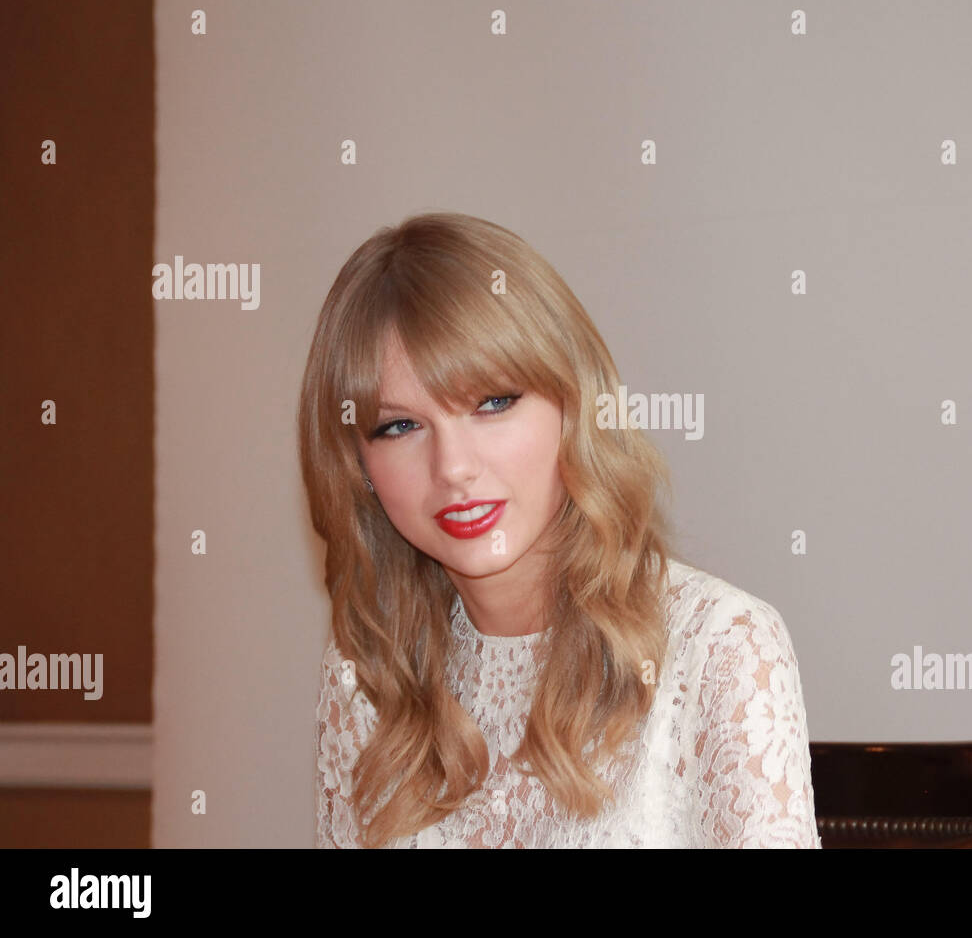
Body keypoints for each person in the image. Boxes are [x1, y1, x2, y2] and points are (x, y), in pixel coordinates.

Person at [298, 212, 820, 847]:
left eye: (492, 402)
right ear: (359, 468)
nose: (454, 468)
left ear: (573, 407)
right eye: (400, 427)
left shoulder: (720, 648)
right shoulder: (367, 675)